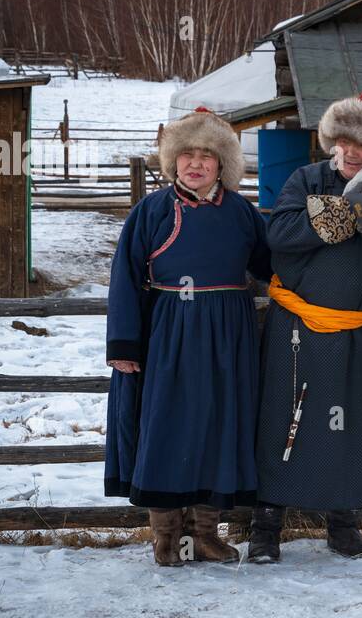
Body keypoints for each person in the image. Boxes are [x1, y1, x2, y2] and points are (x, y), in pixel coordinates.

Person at [250, 86, 362, 564]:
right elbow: (278, 236)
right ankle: (266, 531)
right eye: (342, 142)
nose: (349, 152)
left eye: (361, 145)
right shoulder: (306, 180)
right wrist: (345, 216)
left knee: (353, 426)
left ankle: (344, 528)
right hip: (298, 328)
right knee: (282, 423)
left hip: (360, 331)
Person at [105, 109, 271, 566]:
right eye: (186, 156)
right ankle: (167, 537)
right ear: (173, 162)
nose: (195, 165)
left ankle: (205, 535)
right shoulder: (151, 211)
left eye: (206, 156)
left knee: (220, 426)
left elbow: (274, 266)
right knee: (167, 428)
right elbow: (124, 278)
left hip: (229, 337)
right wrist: (124, 346)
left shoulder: (241, 213)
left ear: (223, 165)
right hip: (170, 335)